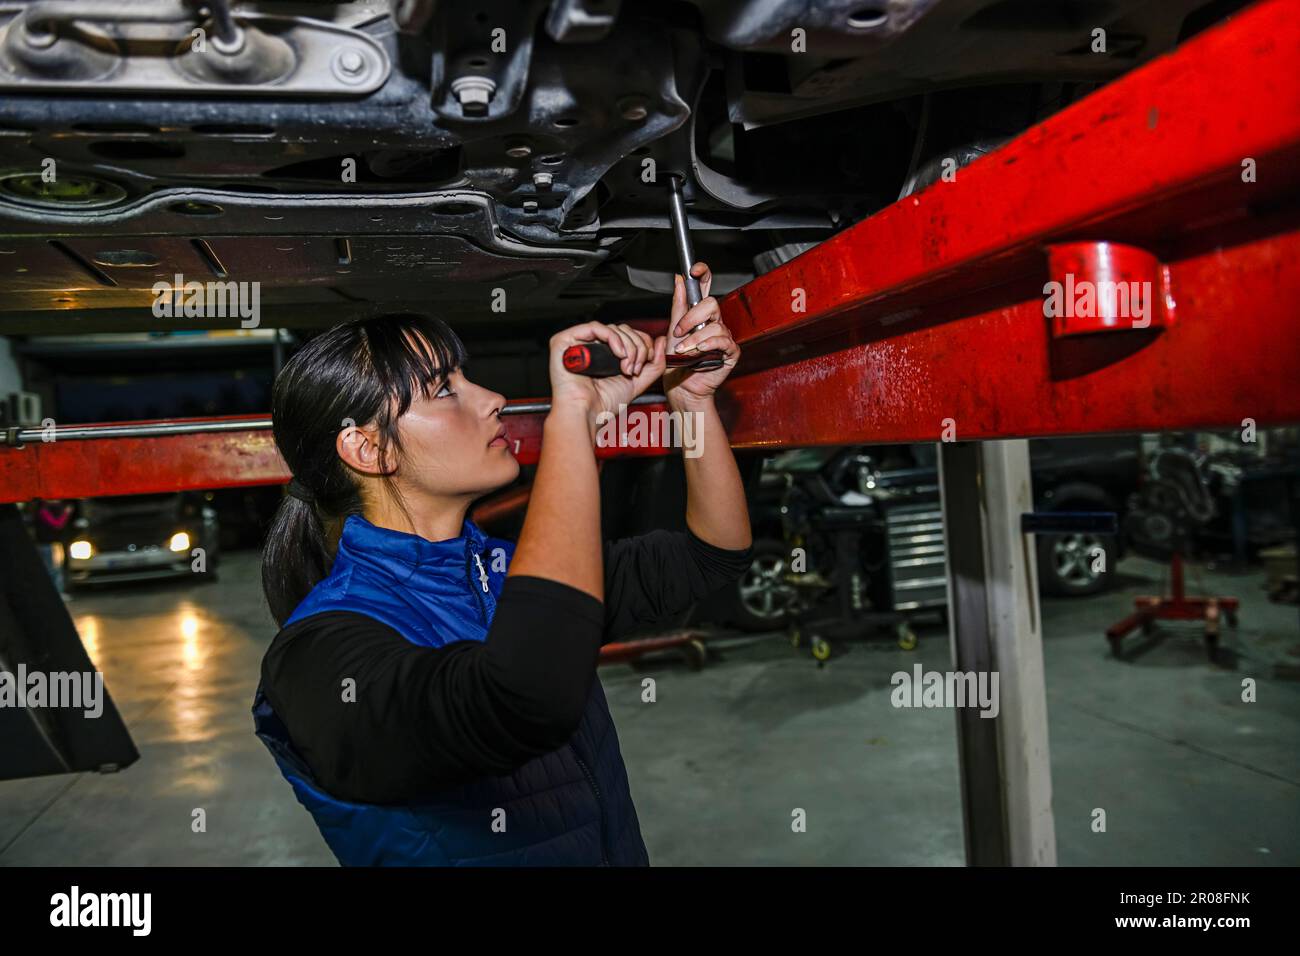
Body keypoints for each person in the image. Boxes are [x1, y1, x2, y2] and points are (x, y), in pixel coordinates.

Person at [253, 261, 754, 866]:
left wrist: (689, 401)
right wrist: (571, 420)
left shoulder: (500, 573)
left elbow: (711, 556)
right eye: (445, 390)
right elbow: (522, 698)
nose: (491, 399)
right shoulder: (320, 653)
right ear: (369, 447)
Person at [32, 497, 75, 599]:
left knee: (56, 569)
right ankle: (56, 594)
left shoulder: (48, 509)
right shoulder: (44, 511)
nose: (57, 501)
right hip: (48, 544)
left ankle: (57, 593)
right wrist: (66, 513)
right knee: (53, 570)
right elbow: (57, 524)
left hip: (53, 544)